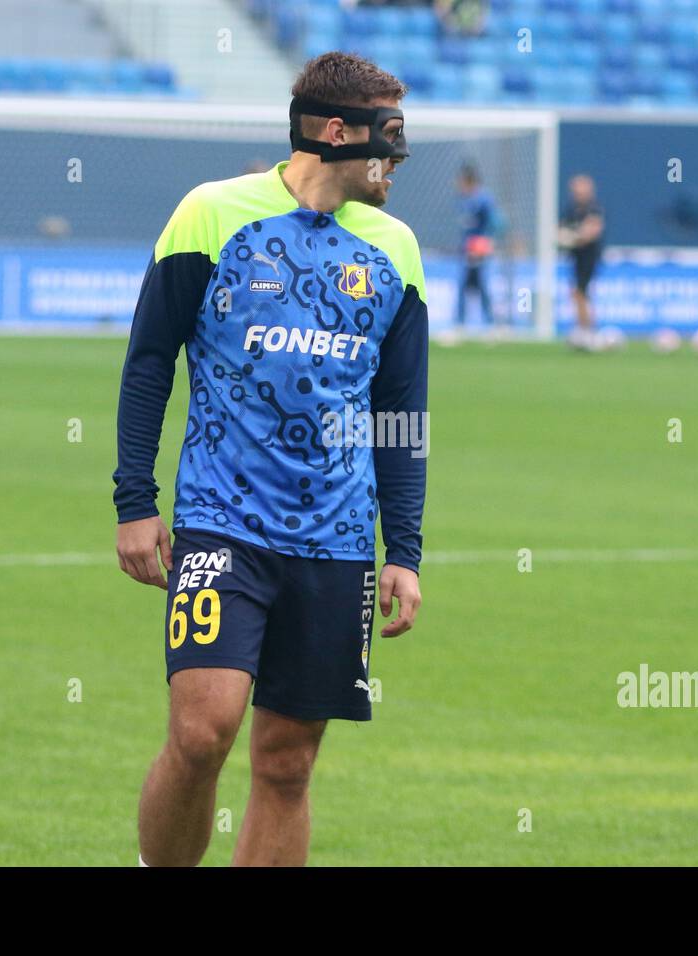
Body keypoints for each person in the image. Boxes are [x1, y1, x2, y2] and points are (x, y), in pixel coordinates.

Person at [113, 52, 428, 867]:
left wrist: (407, 550)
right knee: (201, 730)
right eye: (385, 144)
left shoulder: (396, 250)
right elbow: (150, 360)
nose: (395, 164)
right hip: (221, 525)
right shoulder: (210, 215)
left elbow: (401, 413)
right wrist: (134, 500)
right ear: (333, 133)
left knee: (287, 764)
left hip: (339, 542)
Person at [447, 163, 501, 340]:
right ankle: (459, 325)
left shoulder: (484, 199)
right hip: (466, 250)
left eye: (461, 181)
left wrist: (483, 246)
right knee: (462, 286)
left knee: (483, 286)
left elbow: (493, 225)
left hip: (480, 250)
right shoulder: (462, 199)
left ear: (468, 180)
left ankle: (491, 325)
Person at [558, 174, 605, 350]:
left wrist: (572, 237)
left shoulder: (594, 208)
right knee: (576, 293)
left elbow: (591, 231)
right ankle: (582, 329)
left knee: (581, 293)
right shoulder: (571, 209)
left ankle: (588, 332)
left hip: (589, 257)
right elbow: (560, 229)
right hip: (576, 256)